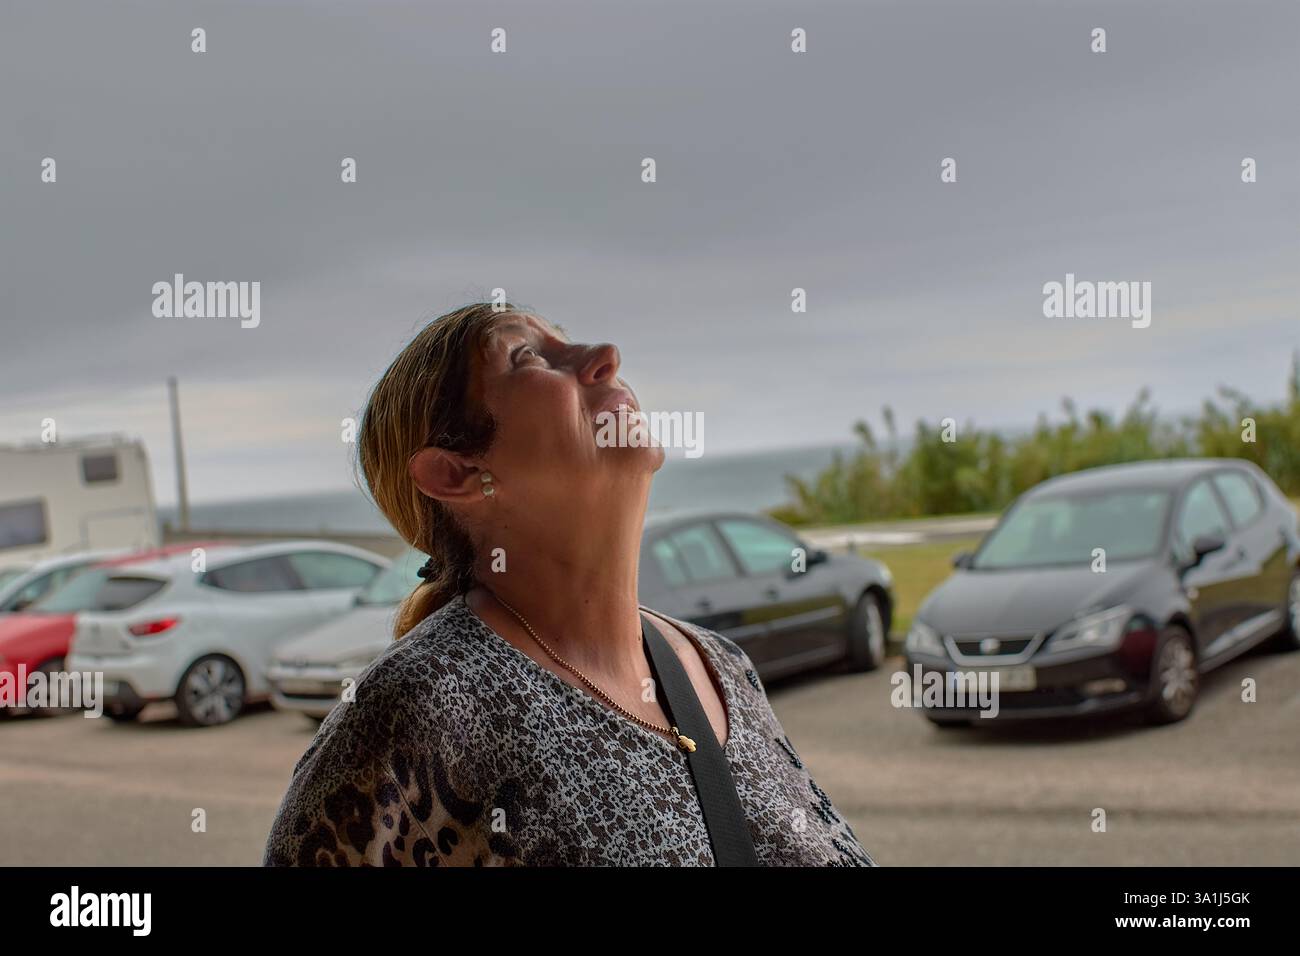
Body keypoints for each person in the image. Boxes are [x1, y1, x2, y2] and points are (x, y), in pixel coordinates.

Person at [263, 302, 875, 866]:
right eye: (528, 357)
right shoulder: (425, 704)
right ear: (458, 472)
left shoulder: (722, 667)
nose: (604, 354)